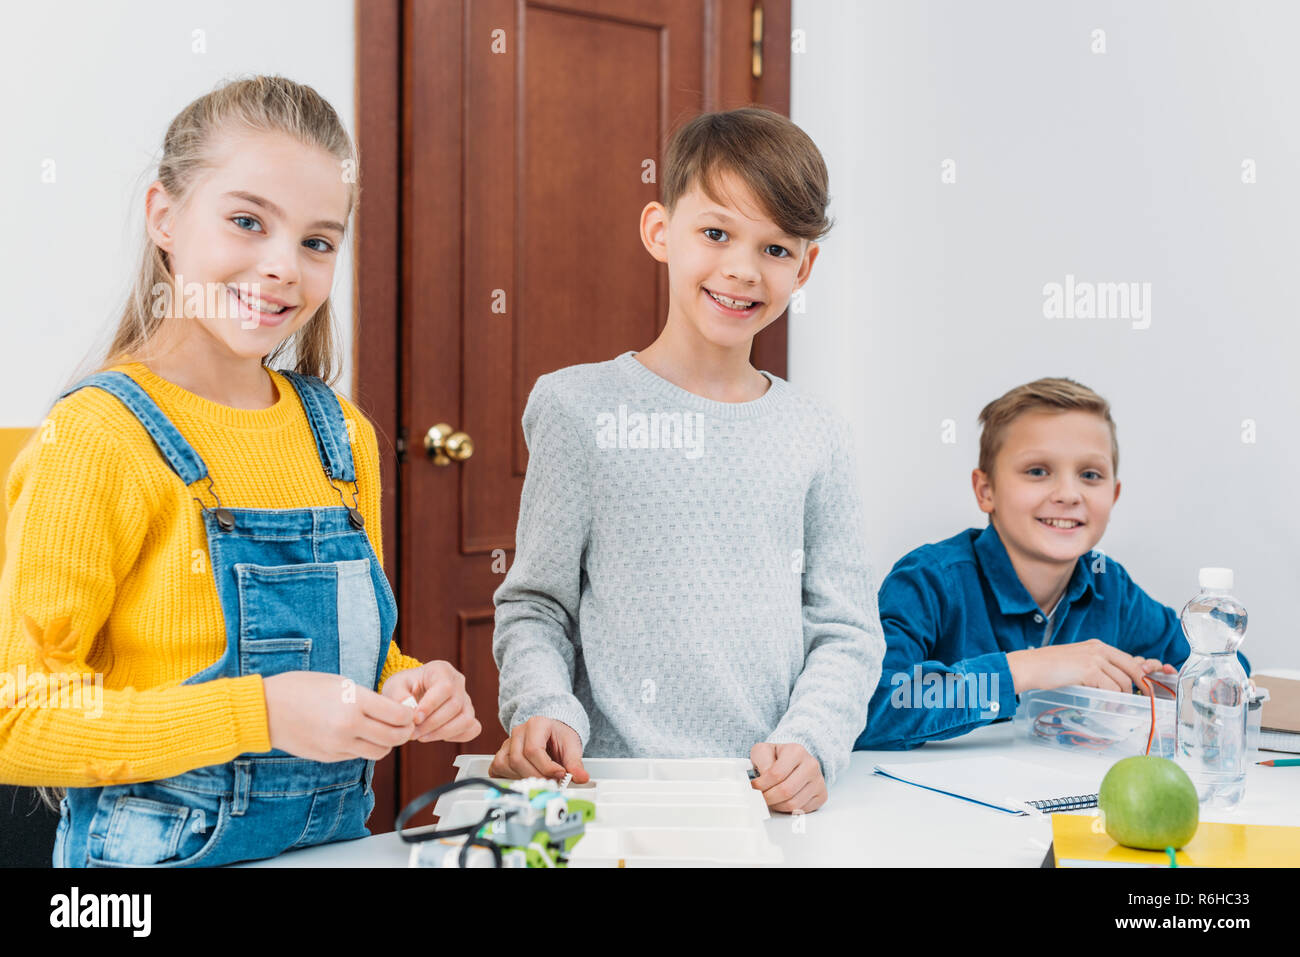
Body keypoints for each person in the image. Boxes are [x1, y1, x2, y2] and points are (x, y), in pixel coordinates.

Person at [0, 75, 478, 867]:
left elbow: (342, 653)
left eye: (317, 242)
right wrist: (258, 713)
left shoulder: (342, 436)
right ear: (165, 217)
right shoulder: (96, 437)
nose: (283, 266)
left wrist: (406, 681)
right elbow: (18, 721)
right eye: (248, 221)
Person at [489, 108, 884, 813]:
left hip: (762, 800)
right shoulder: (575, 408)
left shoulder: (818, 433)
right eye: (716, 233)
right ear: (659, 231)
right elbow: (537, 604)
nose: (742, 270)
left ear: (804, 267)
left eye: (776, 248)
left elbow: (846, 628)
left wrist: (812, 742)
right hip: (608, 793)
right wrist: (543, 705)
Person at [856, 377, 1248, 751]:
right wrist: (1023, 670)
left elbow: (1229, 670)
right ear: (986, 490)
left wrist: (1168, 684)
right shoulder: (929, 582)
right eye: (1038, 471)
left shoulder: (1110, 587)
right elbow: (872, 703)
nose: (1068, 494)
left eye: (1090, 475)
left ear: (1113, 496)